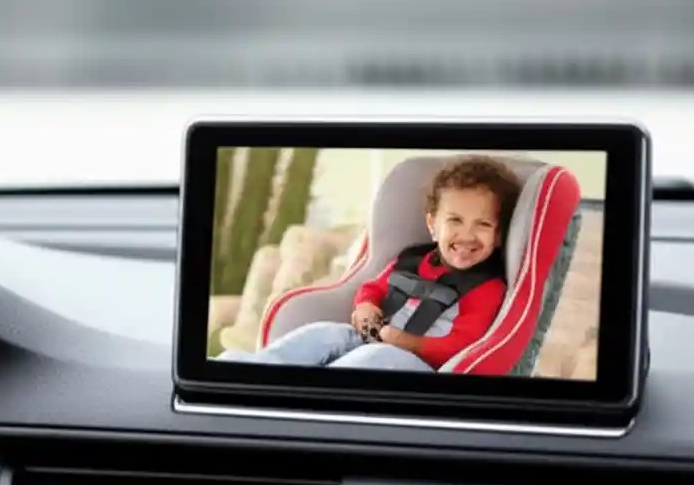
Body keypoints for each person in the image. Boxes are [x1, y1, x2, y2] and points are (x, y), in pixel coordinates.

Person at [217, 155, 522, 372]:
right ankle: (249, 372)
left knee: (374, 360)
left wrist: (408, 343)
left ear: (498, 236)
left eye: (482, 224)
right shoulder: (412, 259)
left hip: (419, 363)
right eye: (455, 220)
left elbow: (464, 344)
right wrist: (366, 309)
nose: (467, 235)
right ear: (432, 224)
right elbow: (372, 288)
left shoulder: (486, 287)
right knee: (325, 334)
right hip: (374, 337)